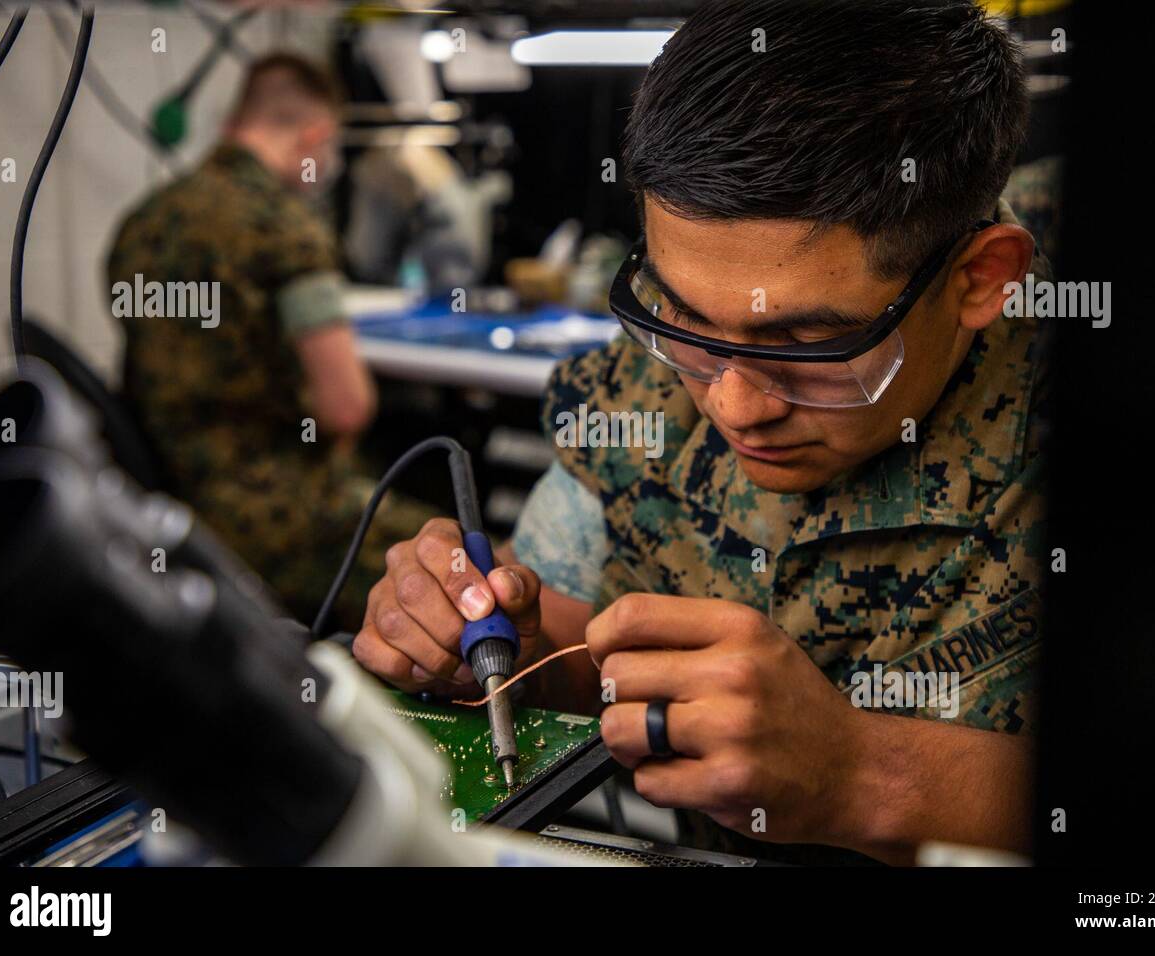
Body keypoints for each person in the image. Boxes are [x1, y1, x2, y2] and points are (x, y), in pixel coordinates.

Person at [355, 0, 1050, 864]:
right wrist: (509, 648)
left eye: (804, 342)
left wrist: (868, 775)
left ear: (981, 280)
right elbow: (586, 639)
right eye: (685, 322)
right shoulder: (638, 388)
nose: (731, 404)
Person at [108, 53, 436, 632]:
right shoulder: (284, 229)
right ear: (315, 135)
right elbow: (347, 407)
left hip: (170, 509)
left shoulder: (142, 222)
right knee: (463, 562)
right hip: (282, 524)